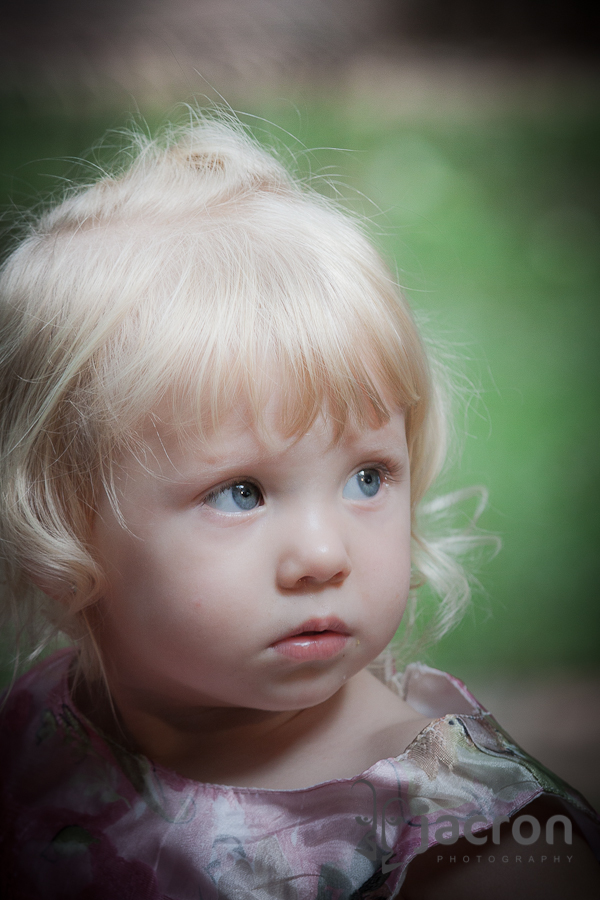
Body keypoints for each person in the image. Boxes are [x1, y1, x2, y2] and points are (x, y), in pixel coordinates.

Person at [0, 115, 597, 899]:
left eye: (368, 477)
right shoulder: (41, 726)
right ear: (60, 528)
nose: (325, 555)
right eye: (240, 492)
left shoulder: (472, 845)